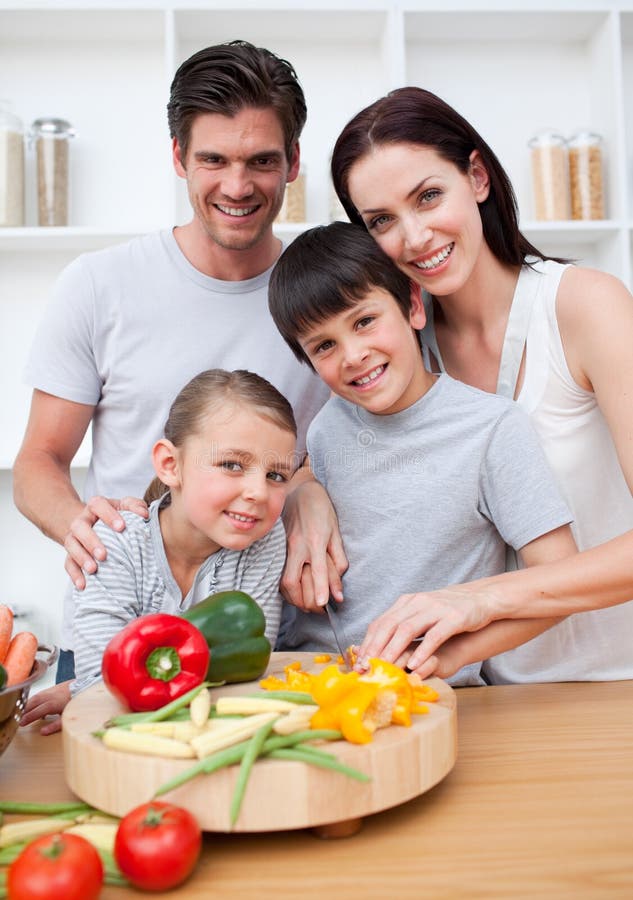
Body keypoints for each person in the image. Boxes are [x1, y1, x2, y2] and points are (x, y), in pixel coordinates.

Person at [12, 40, 337, 685]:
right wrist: (82, 528)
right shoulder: (100, 285)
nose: (237, 186)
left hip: (256, 644)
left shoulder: (325, 299)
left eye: (262, 161)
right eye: (213, 160)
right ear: (178, 157)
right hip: (117, 638)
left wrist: (306, 489)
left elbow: (342, 446)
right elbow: (37, 462)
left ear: (294, 162)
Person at [330, 86, 633, 683]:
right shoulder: (397, 351)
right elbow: (327, 448)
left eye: (428, 196)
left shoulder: (584, 306)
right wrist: (306, 499)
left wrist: (480, 598)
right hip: (482, 696)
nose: (414, 237)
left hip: (615, 685)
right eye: (382, 221)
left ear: (477, 177)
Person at [267, 221, 577, 685]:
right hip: (308, 675)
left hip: (422, 686)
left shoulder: (491, 428)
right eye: (325, 345)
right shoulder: (328, 426)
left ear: (413, 305)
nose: (353, 355)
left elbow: (559, 581)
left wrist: (454, 654)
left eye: (364, 322)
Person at [21, 368, 298, 734]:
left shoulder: (266, 539)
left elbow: (247, 674)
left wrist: (87, 689)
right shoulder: (115, 543)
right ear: (170, 465)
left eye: (276, 476)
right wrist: (83, 688)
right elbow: (99, 685)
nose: (259, 493)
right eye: (232, 465)